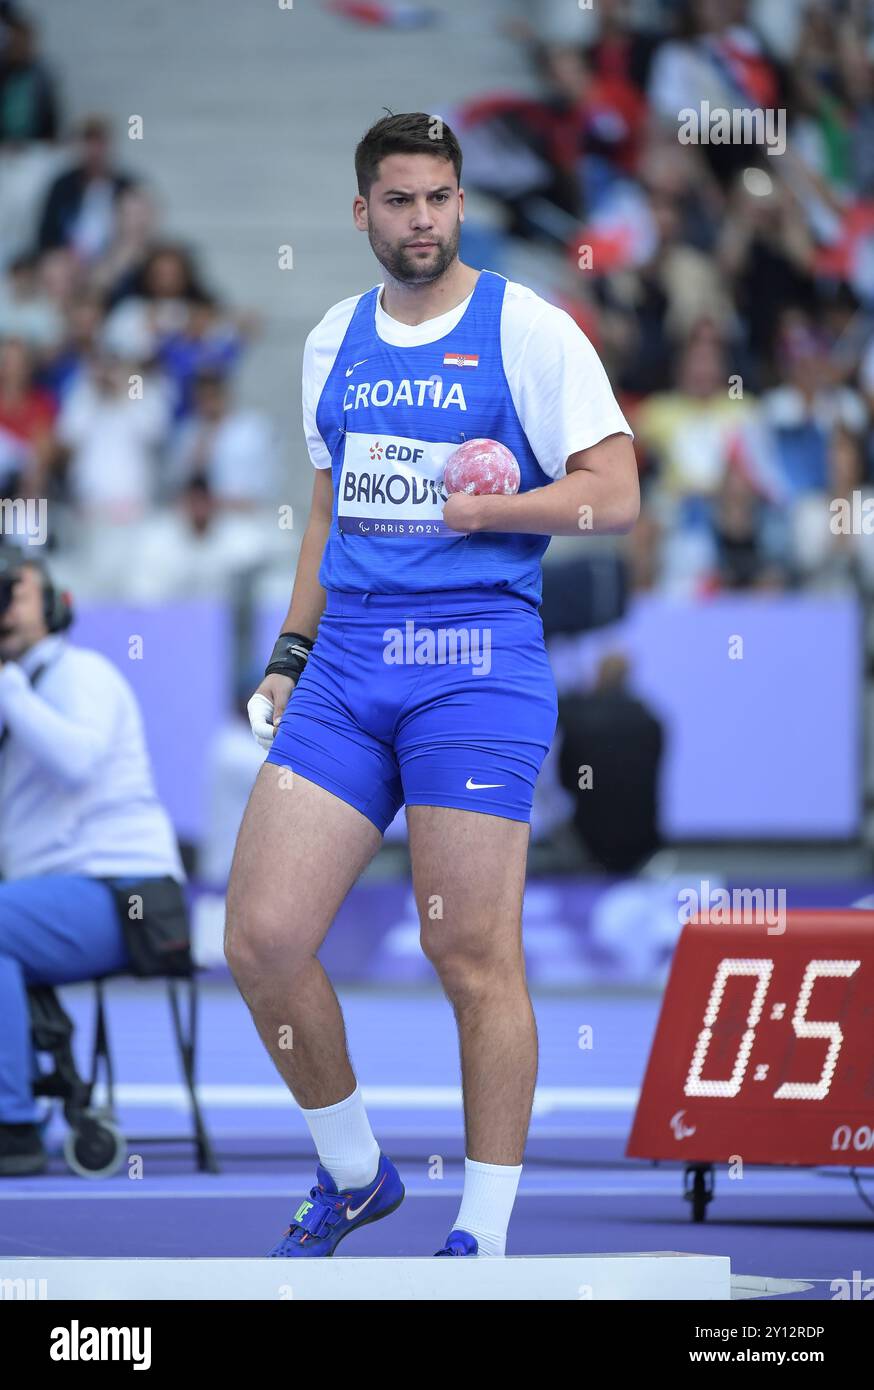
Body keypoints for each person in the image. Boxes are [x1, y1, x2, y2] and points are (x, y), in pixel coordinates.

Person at [224, 112, 638, 1259]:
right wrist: (289, 653)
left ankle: (486, 1235)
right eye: (399, 201)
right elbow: (325, 512)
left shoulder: (530, 330)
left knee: (469, 953)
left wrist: (496, 510)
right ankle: (355, 1172)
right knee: (259, 938)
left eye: (440, 199)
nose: (422, 221)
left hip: (473, 664)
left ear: (463, 204)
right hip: (349, 660)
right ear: (362, 212)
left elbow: (618, 493)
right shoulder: (330, 339)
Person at [0, 557, 185, 1175]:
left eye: (14, 595)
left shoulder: (82, 673)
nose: (4, 609)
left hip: (129, 896)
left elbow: (75, 761)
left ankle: (13, 1125)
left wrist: (6, 686)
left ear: (54, 606)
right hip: (57, 896)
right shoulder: (21, 687)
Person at [557, 651, 663, 874]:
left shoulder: (579, 722)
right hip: (642, 836)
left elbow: (566, 778)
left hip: (588, 835)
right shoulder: (650, 722)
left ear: (598, 675)